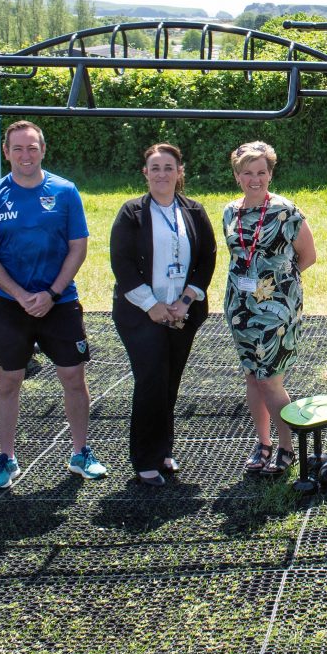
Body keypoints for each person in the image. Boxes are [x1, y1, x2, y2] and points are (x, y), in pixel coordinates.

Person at [0, 120, 104, 489]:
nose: (25, 155)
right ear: (6, 152)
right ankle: (7, 457)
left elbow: (78, 246)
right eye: (18, 148)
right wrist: (20, 295)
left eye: (32, 148)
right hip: (11, 305)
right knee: (8, 380)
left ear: (43, 150)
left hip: (59, 302)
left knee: (73, 378)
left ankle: (81, 452)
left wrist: (52, 293)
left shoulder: (64, 191)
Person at [110, 143, 217, 486]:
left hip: (181, 313)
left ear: (179, 172)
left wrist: (186, 300)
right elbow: (122, 264)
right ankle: (145, 459)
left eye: (168, 167)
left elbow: (207, 257)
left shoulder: (194, 211)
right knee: (151, 380)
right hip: (142, 314)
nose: (161, 174)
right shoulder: (132, 213)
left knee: (170, 381)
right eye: (155, 168)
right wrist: (152, 306)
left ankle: (163, 451)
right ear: (145, 173)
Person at [223, 141, 316, 477]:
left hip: (277, 310)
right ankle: (262, 443)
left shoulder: (286, 211)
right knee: (252, 376)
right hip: (240, 306)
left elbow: (308, 256)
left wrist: (277, 289)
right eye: (247, 173)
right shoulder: (229, 212)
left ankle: (287, 447)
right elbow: (237, 255)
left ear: (270, 174)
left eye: (261, 172)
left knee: (271, 380)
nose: (255, 179)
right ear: (237, 175)